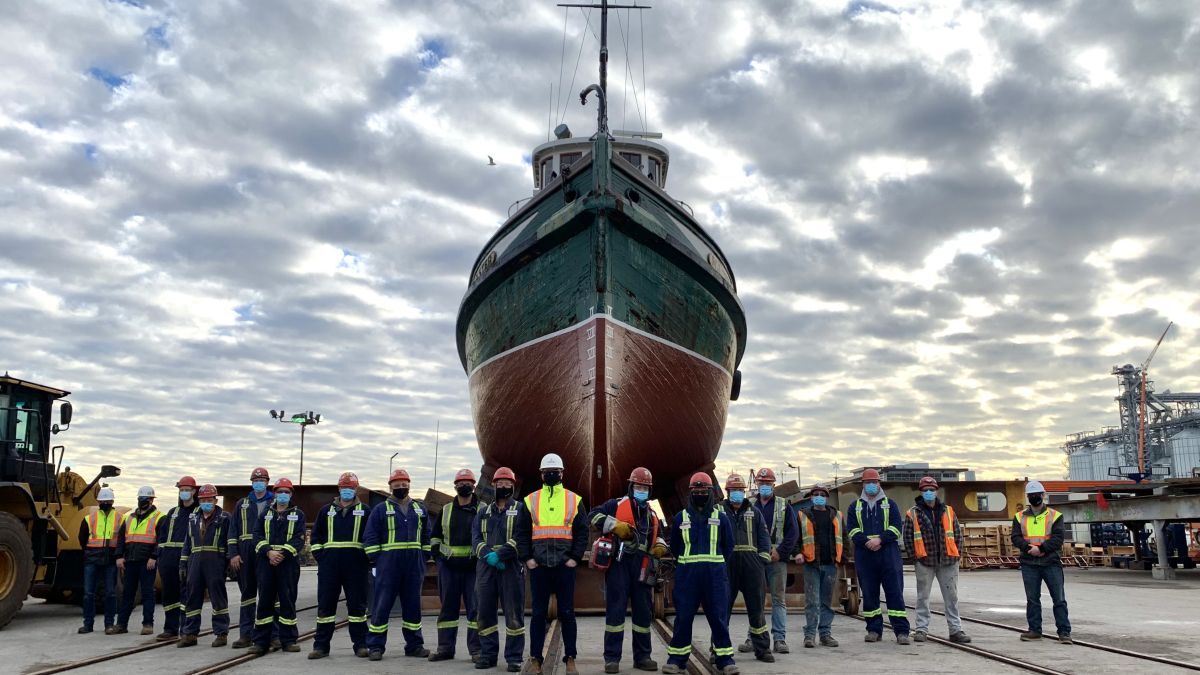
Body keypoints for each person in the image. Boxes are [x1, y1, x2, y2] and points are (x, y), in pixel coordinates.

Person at [588, 467, 669, 673]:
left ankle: (643, 657)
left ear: (649, 491)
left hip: (642, 565)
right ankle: (612, 658)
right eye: (638, 486)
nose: (641, 490)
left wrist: (660, 546)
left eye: (645, 487)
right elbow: (592, 516)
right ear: (631, 486)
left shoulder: (652, 515)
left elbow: (661, 535)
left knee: (643, 613)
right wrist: (614, 525)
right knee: (615, 611)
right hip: (619, 564)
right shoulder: (615, 505)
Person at [663, 473, 738, 675]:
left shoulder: (720, 518)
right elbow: (676, 547)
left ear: (711, 493)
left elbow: (728, 546)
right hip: (688, 578)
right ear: (690, 493)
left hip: (714, 578)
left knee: (718, 618)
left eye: (704, 491)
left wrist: (712, 564)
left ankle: (725, 659)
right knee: (683, 618)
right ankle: (677, 659)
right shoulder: (681, 518)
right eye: (696, 491)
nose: (700, 494)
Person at [520, 453, 588, 675]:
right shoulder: (530, 501)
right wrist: (527, 558)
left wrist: (574, 558)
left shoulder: (574, 500)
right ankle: (536, 660)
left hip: (563, 566)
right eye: (548, 472)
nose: (551, 474)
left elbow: (582, 532)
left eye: (555, 472)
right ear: (541, 474)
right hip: (539, 566)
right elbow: (521, 532)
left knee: (567, 613)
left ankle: (570, 659)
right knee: (538, 614)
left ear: (561, 474)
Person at [364, 467, 432, 661]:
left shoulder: (419, 508)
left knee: (412, 606)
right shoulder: (381, 509)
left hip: (413, 565)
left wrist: (424, 555)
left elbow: (427, 534)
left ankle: (414, 645)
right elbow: (370, 536)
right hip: (388, 566)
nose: (401, 487)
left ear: (409, 485)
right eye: (397, 485)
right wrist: (377, 560)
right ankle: (376, 647)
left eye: (404, 484)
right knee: (381, 606)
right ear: (390, 486)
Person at [472, 467, 530, 672]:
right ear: (493, 485)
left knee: (514, 614)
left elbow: (522, 537)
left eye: (507, 484)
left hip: (510, 567)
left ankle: (514, 658)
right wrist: (489, 556)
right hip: (486, 567)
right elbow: (476, 539)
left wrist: (502, 555)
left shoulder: (521, 509)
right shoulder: (483, 512)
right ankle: (488, 656)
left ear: (513, 487)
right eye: (500, 483)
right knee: (485, 613)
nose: (503, 486)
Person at [309, 472, 371, 659]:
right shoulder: (325, 511)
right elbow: (316, 537)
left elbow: (371, 537)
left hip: (356, 567)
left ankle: (361, 645)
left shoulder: (366, 511)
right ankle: (321, 647)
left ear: (356, 489)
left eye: (350, 488)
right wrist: (322, 557)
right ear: (339, 489)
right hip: (330, 568)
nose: (347, 491)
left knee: (357, 608)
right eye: (344, 487)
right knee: (325, 608)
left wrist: (365, 559)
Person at [903, 476, 970, 644]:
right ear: (921, 492)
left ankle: (955, 630)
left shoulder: (948, 511)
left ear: (936, 491)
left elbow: (957, 534)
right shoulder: (913, 513)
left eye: (931, 490)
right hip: (925, 561)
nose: (928, 493)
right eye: (925, 490)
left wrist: (956, 555)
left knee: (951, 597)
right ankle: (921, 629)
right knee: (922, 597)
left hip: (948, 561)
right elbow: (908, 538)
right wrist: (916, 559)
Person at [846, 468, 909, 644]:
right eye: (867, 483)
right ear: (863, 485)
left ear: (879, 484)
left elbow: (896, 527)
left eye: (873, 482)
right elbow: (851, 529)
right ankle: (874, 630)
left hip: (889, 555)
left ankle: (902, 632)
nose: (871, 485)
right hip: (865, 555)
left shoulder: (891, 504)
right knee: (869, 593)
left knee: (895, 593)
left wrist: (880, 540)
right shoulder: (855, 506)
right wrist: (867, 542)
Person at [718, 474, 774, 663]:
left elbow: (764, 537)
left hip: (752, 567)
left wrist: (763, 559)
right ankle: (718, 650)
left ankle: (763, 650)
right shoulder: (718, 512)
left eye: (740, 491)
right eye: (734, 491)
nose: (737, 494)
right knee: (722, 610)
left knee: (757, 609)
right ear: (727, 492)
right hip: (727, 565)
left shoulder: (754, 512)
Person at [248, 477, 306, 656]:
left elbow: (299, 538)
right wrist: (268, 552)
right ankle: (260, 642)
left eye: (286, 492)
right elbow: (256, 535)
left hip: (287, 564)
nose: (283, 495)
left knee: (287, 601)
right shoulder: (266, 513)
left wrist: (282, 554)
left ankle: (288, 640)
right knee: (265, 601)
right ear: (274, 493)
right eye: (280, 491)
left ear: (291, 495)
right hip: (266, 563)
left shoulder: (299, 514)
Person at [430, 468, 482, 663]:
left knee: (475, 610)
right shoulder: (446, 510)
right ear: (455, 486)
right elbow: (435, 537)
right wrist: (440, 559)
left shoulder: (482, 509)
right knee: (448, 610)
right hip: (449, 568)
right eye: (460, 483)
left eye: (468, 483)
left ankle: (476, 651)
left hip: (474, 568)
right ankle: (445, 648)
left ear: (474, 486)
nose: (464, 486)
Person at [745, 467, 798, 654]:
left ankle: (780, 639)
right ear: (756, 485)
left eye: (768, 484)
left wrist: (780, 552)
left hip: (777, 560)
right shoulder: (749, 505)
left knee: (778, 600)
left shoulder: (784, 505)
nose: (764, 486)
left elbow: (793, 533)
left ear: (773, 485)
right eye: (761, 483)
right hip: (755, 560)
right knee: (755, 599)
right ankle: (753, 638)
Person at [1011, 480, 1071, 644]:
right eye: (1031, 495)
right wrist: (1028, 547)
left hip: (1050, 562)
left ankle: (1064, 632)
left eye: (1037, 494)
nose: (1034, 497)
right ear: (1028, 497)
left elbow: (1058, 538)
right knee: (1032, 599)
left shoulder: (1055, 515)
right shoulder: (1019, 517)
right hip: (1029, 563)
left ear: (1043, 495)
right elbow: (1015, 537)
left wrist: (1041, 549)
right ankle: (1034, 630)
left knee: (1058, 599)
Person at [178, 484, 232, 647]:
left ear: (216, 500)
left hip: (215, 561)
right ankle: (190, 633)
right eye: (203, 500)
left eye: (210, 499)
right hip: (195, 562)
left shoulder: (224, 518)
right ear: (199, 501)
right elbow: (187, 543)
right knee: (192, 597)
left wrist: (229, 561)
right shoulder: (193, 518)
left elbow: (230, 540)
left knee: (218, 598)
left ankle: (221, 633)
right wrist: (183, 563)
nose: (206, 503)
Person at [228, 467, 275, 649]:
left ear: (267, 481)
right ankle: (245, 635)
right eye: (256, 480)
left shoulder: (274, 502)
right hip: (245, 553)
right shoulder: (242, 503)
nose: (259, 482)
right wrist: (233, 553)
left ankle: (271, 635)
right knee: (247, 594)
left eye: (262, 479)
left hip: (265, 552)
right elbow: (233, 530)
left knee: (269, 595)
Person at [795, 485, 846, 648]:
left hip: (830, 564)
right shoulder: (803, 515)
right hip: (811, 564)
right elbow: (796, 537)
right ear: (811, 498)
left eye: (822, 495)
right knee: (812, 601)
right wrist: (797, 552)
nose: (818, 497)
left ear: (827, 498)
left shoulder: (837, 515)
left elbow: (844, 538)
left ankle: (825, 634)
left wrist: (843, 559)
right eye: (815, 495)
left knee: (826, 602)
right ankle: (809, 636)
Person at [155, 476, 199, 640]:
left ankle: (186, 629)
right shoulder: (173, 512)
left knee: (186, 595)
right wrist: (160, 554)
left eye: (187, 490)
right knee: (169, 594)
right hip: (168, 559)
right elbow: (162, 535)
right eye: (181, 490)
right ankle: (170, 628)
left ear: (194, 491)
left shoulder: (198, 512)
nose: (184, 493)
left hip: (187, 558)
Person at [115, 485, 163, 635]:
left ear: (151, 500)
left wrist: (154, 557)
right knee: (128, 594)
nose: (142, 501)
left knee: (148, 593)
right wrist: (119, 556)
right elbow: (121, 539)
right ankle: (122, 624)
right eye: (141, 498)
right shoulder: (129, 518)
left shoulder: (159, 517)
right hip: (130, 561)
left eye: (146, 499)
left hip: (147, 561)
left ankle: (148, 624)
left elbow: (161, 540)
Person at [78, 486, 119, 634]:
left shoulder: (120, 518)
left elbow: (122, 540)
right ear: (99, 502)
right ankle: (88, 624)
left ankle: (109, 624)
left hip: (110, 560)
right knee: (88, 593)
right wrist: (89, 552)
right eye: (103, 501)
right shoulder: (89, 519)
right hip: (92, 559)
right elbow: (82, 539)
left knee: (110, 593)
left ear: (112, 501)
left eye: (108, 501)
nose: (105, 503)